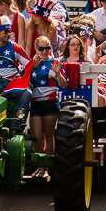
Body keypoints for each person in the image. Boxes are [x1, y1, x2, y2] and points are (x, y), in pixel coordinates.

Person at [28, 34, 68, 177]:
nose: (45, 51)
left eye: (47, 48)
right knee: (35, 137)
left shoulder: (54, 62)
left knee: (48, 136)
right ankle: (40, 164)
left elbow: (64, 84)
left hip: (50, 102)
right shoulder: (31, 63)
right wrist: (32, 68)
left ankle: (45, 168)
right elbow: (23, 80)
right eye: (41, 49)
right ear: (36, 48)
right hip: (36, 103)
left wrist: (58, 73)